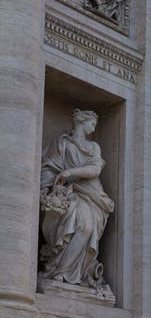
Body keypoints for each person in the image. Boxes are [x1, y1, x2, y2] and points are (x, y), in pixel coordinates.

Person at [39, 109, 114, 291]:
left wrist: (70, 172)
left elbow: (95, 170)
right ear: (82, 121)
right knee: (78, 226)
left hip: (92, 194)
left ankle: (70, 273)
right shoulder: (62, 143)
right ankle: (61, 271)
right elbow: (49, 167)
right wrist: (44, 188)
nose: (94, 127)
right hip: (70, 193)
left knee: (87, 228)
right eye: (92, 123)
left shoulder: (94, 147)